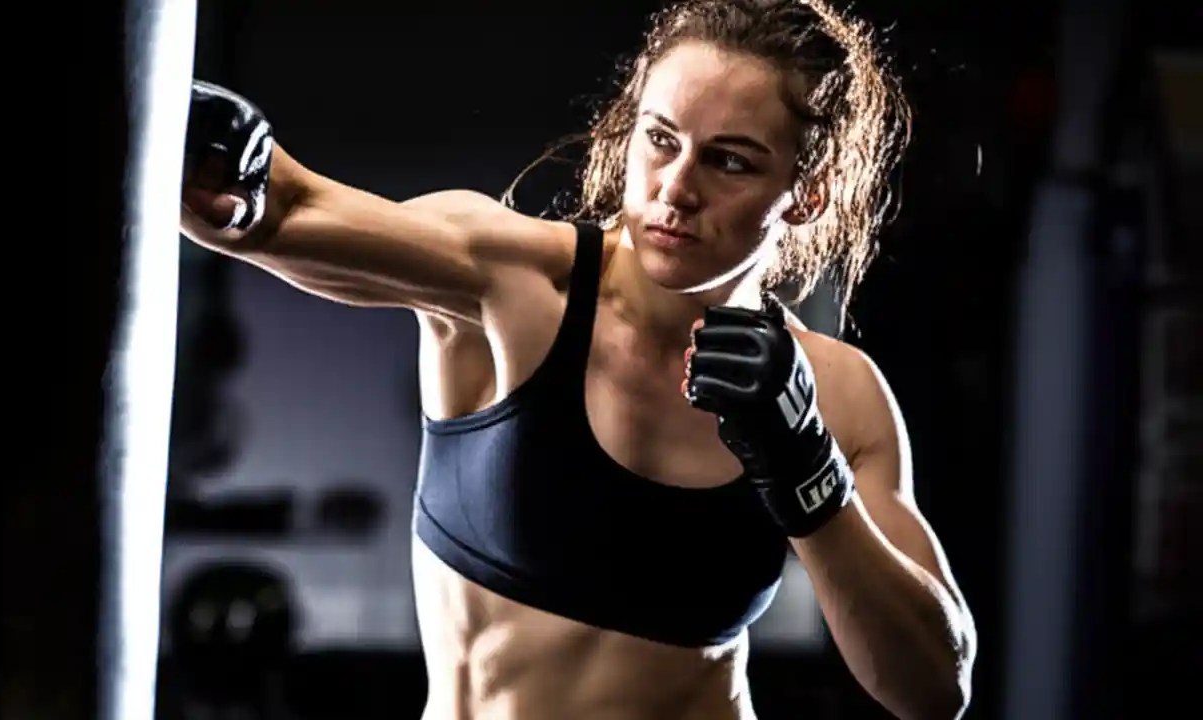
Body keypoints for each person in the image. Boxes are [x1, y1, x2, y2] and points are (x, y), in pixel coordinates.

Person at [179, 1, 978, 718]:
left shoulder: (835, 394)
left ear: (807, 193)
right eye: (660, 140)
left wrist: (809, 471)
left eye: (728, 161)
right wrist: (223, 159)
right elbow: (284, 208)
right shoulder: (513, 281)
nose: (675, 187)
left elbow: (934, 689)